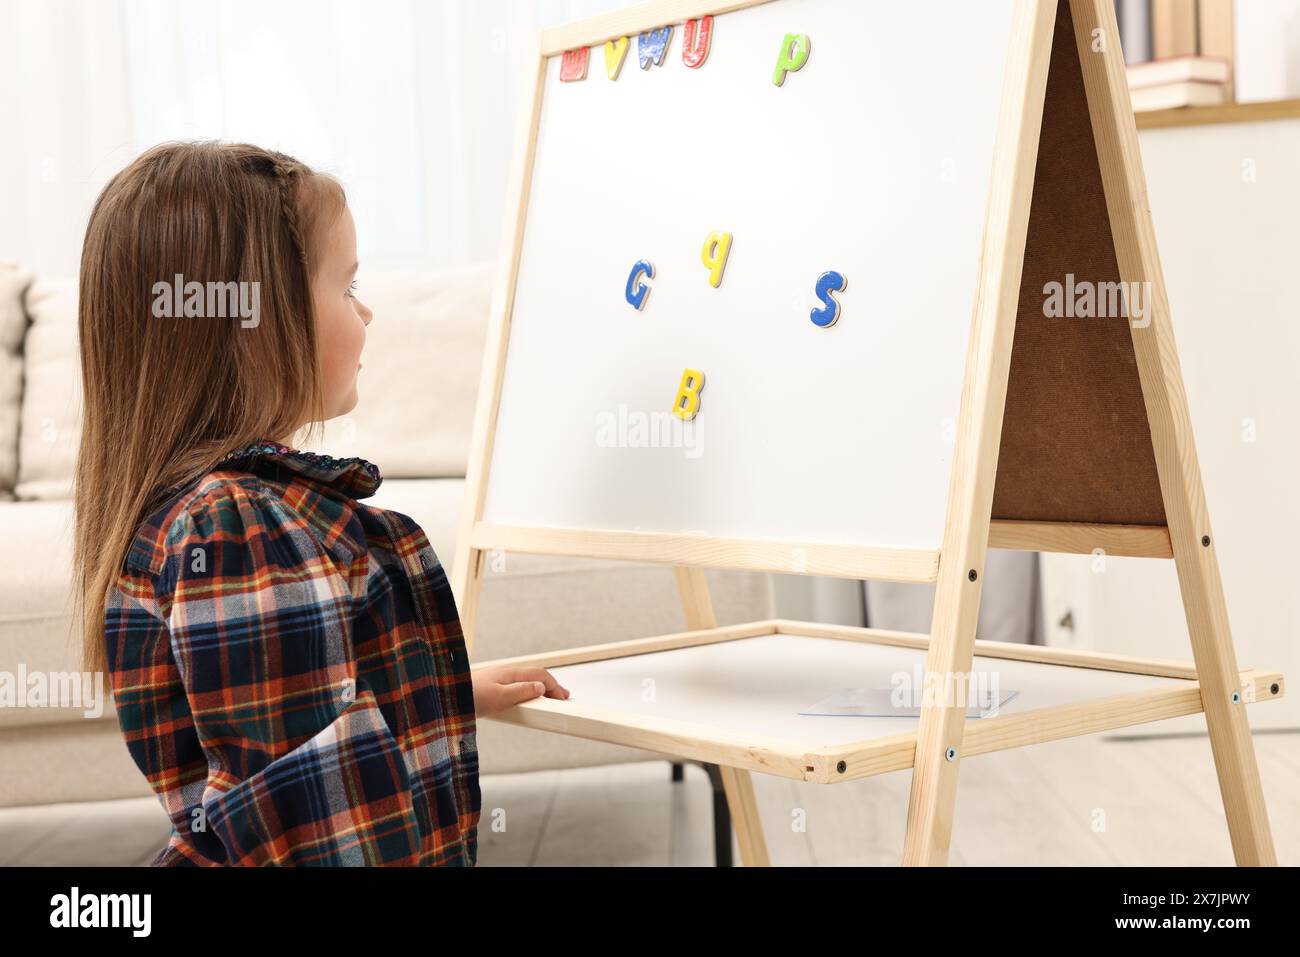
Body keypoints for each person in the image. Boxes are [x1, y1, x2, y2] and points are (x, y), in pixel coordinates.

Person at [73, 141, 568, 865]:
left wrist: (442, 688)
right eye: (346, 286)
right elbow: (322, 821)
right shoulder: (238, 529)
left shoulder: (210, 515)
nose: (364, 311)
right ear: (249, 326)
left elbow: (307, 712)